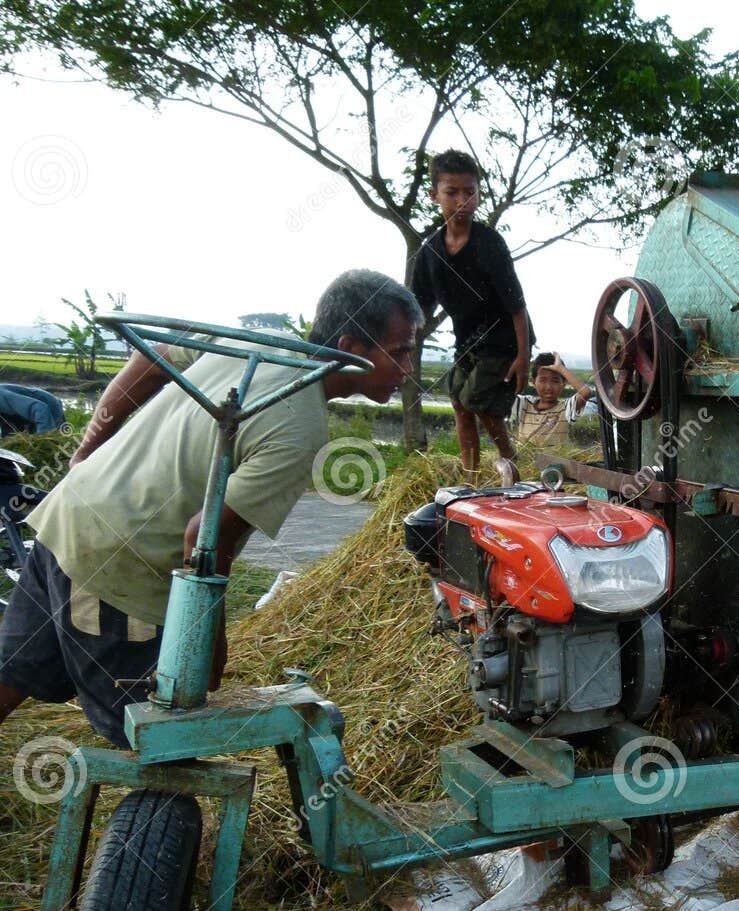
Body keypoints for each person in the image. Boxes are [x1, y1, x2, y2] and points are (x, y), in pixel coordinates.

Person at [0, 269, 421, 747]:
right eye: (401, 350)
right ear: (352, 345)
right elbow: (205, 537)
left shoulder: (259, 345)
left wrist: (87, 449)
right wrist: (208, 650)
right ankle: (154, 820)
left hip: (68, 515)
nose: (410, 368)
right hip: (120, 569)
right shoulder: (303, 426)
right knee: (164, 745)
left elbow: (153, 354)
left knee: (10, 676)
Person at [411, 149, 532, 479]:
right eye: (452, 193)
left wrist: (524, 355)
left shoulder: (490, 244)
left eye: (470, 192)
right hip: (467, 342)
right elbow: (418, 308)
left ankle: (512, 464)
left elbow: (517, 305)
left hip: (504, 340)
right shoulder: (430, 253)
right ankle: (471, 478)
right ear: (434, 195)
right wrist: (402, 346)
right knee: (459, 403)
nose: (463, 201)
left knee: (481, 403)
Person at [512, 352, 593, 465]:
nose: (548, 387)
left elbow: (586, 392)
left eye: (555, 381)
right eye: (543, 380)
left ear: (564, 383)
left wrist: (561, 369)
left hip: (555, 468)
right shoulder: (523, 404)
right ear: (533, 382)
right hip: (525, 466)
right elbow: (503, 391)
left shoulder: (565, 409)